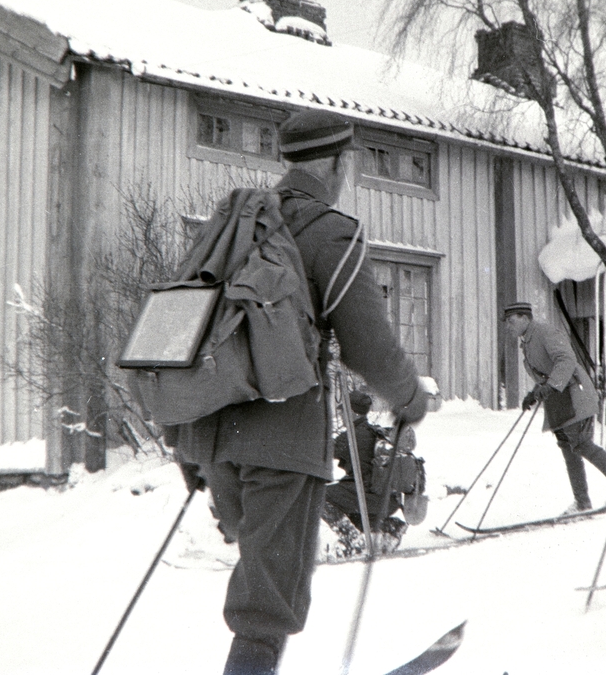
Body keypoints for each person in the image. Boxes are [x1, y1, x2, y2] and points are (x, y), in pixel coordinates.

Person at [163, 111, 434, 675]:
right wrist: (410, 398)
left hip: (212, 433)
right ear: (340, 163)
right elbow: (369, 347)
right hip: (281, 442)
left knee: (261, 582)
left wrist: (184, 439)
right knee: (269, 602)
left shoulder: (237, 226)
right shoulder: (330, 231)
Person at [503, 301, 606, 514]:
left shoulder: (545, 332)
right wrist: (535, 393)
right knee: (569, 449)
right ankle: (582, 501)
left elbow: (566, 360)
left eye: (511, 321)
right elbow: (545, 372)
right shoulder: (527, 343)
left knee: (581, 443)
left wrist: (550, 385)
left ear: (525, 317)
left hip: (575, 394)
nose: (507, 326)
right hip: (559, 401)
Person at [321, 389, 424, 555]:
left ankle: (352, 538)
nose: (340, 415)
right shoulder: (373, 431)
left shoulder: (351, 437)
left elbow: (322, 453)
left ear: (352, 412)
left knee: (320, 496)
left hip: (370, 497)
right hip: (389, 500)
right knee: (344, 496)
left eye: (342, 411)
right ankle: (390, 527)